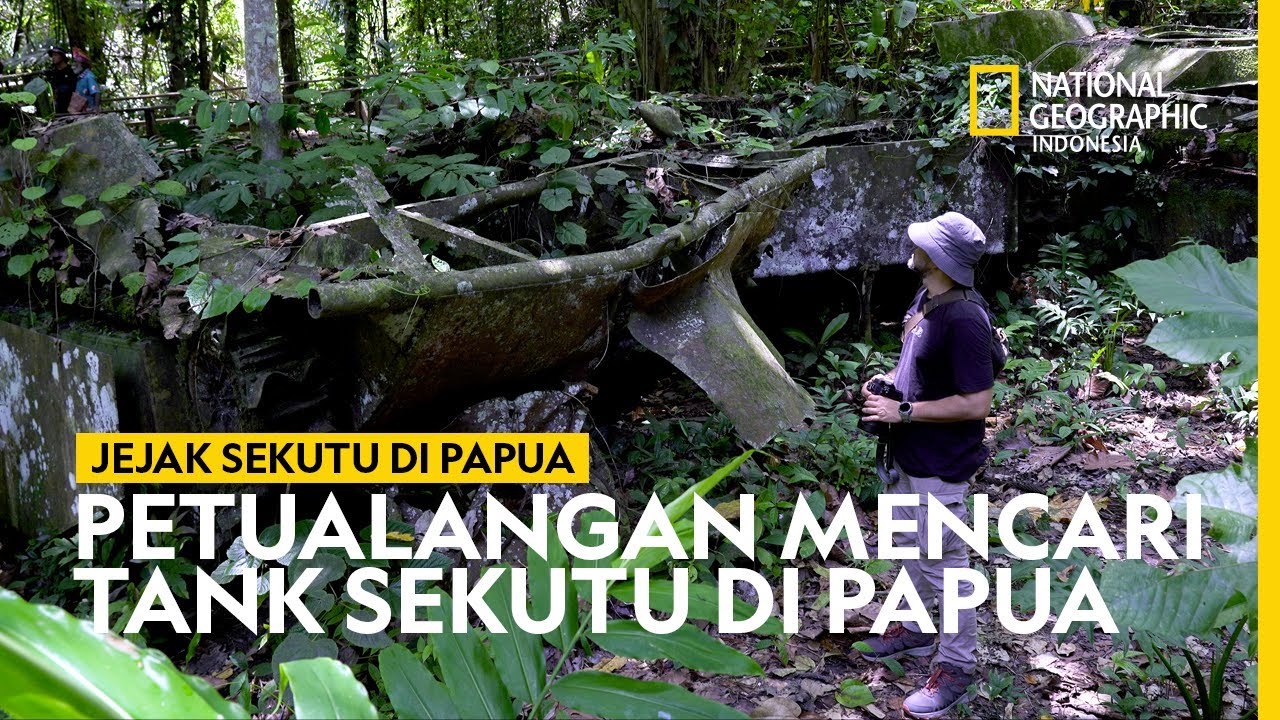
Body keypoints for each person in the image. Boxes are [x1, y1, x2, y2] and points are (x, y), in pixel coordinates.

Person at [857, 211, 995, 719]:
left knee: (946, 566)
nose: (911, 246)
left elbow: (977, 403)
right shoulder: (928, 298)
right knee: (913, 548)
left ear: (936, 259)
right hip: (910, 453)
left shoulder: (965, 320)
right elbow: (919, 364)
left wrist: (905, 411)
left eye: (921, 243)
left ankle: (957, 666)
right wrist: (889, 385)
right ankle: (915, 630)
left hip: (941, 463)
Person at [45, 46, 77, 114]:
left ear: (62, 56)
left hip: (72, 104)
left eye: (56, 55)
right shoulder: (52, 73)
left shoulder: (71, 70)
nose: (53, 57)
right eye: (52, 55)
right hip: (58, 105)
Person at [69, 48, 100, 114]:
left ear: (83, 65)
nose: (73, 66)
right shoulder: (80, 77)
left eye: (76, 62)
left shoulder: (89, 77)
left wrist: (96, 107)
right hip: (82, 111)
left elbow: (96, 92)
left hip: (89, 111)